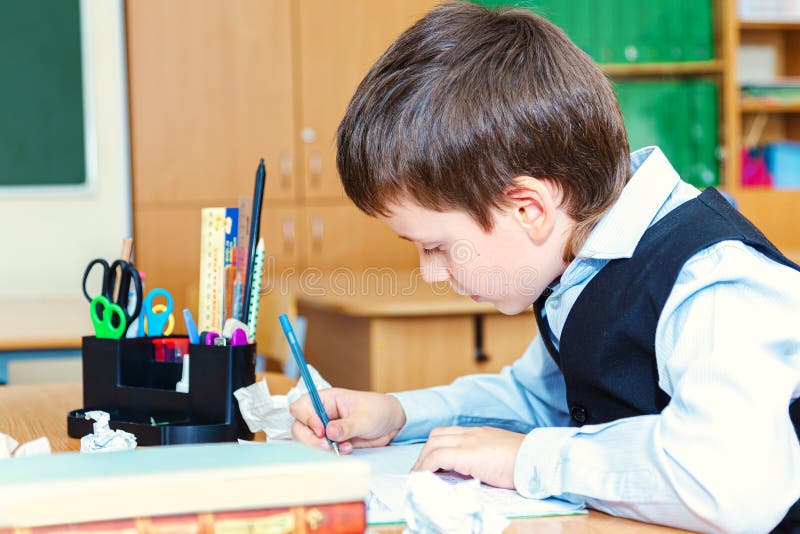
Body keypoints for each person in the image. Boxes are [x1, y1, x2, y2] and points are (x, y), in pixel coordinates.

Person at [289, 3, 800, 532]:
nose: (431, 273)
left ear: (528, 209)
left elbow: (734, 483)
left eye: (436, 247)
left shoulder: (712, 282)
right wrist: (399, 414)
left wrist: (527, 460)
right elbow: (541, 399)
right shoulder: (580, 259)